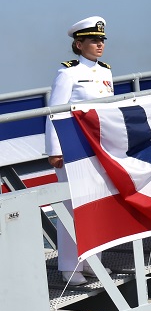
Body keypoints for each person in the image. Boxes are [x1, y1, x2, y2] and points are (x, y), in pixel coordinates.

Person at [46, 17, 113, 286]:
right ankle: (70, 267)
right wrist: (54, 149)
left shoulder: (106, 72)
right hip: (73, 147)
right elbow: (54, 112)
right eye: (93, 40)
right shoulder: (68, 73)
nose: (99, 44)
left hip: (99, 147)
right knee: (72, 207)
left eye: (101, 40)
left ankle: (94, 262)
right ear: (78, 43)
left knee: (97, 205)